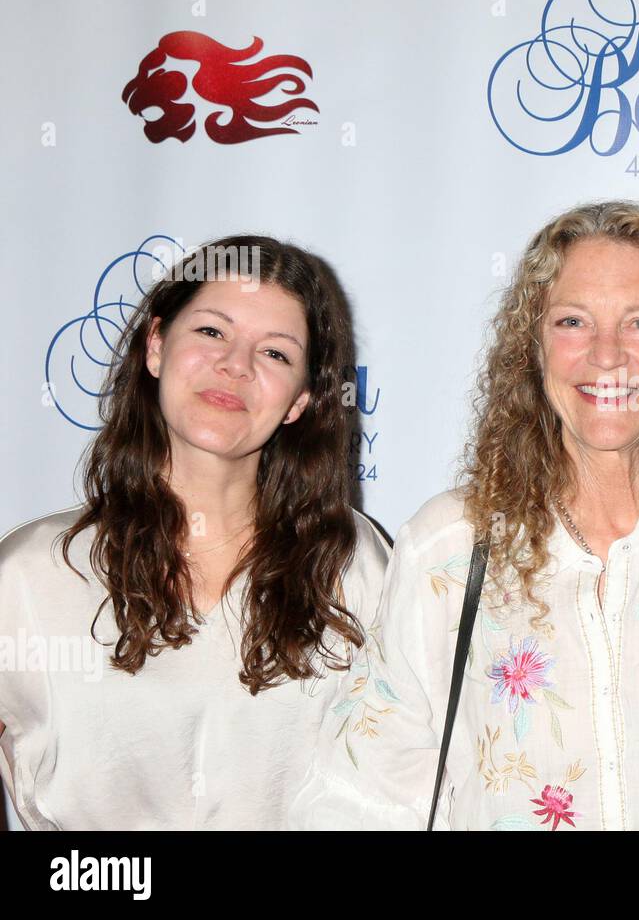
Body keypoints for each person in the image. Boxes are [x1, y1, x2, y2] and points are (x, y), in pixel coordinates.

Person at [292, 201, 639, 830]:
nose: (606, 355)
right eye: (573, 321)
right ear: (534, 348)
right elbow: (360, 800)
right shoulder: (450, 546)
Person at [0, 236, 389, 829]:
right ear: (155, 346)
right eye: (211, 332)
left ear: (300, 402)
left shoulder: (354, 565)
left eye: (277, 354)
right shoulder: (31, 575)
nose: (236, 365)